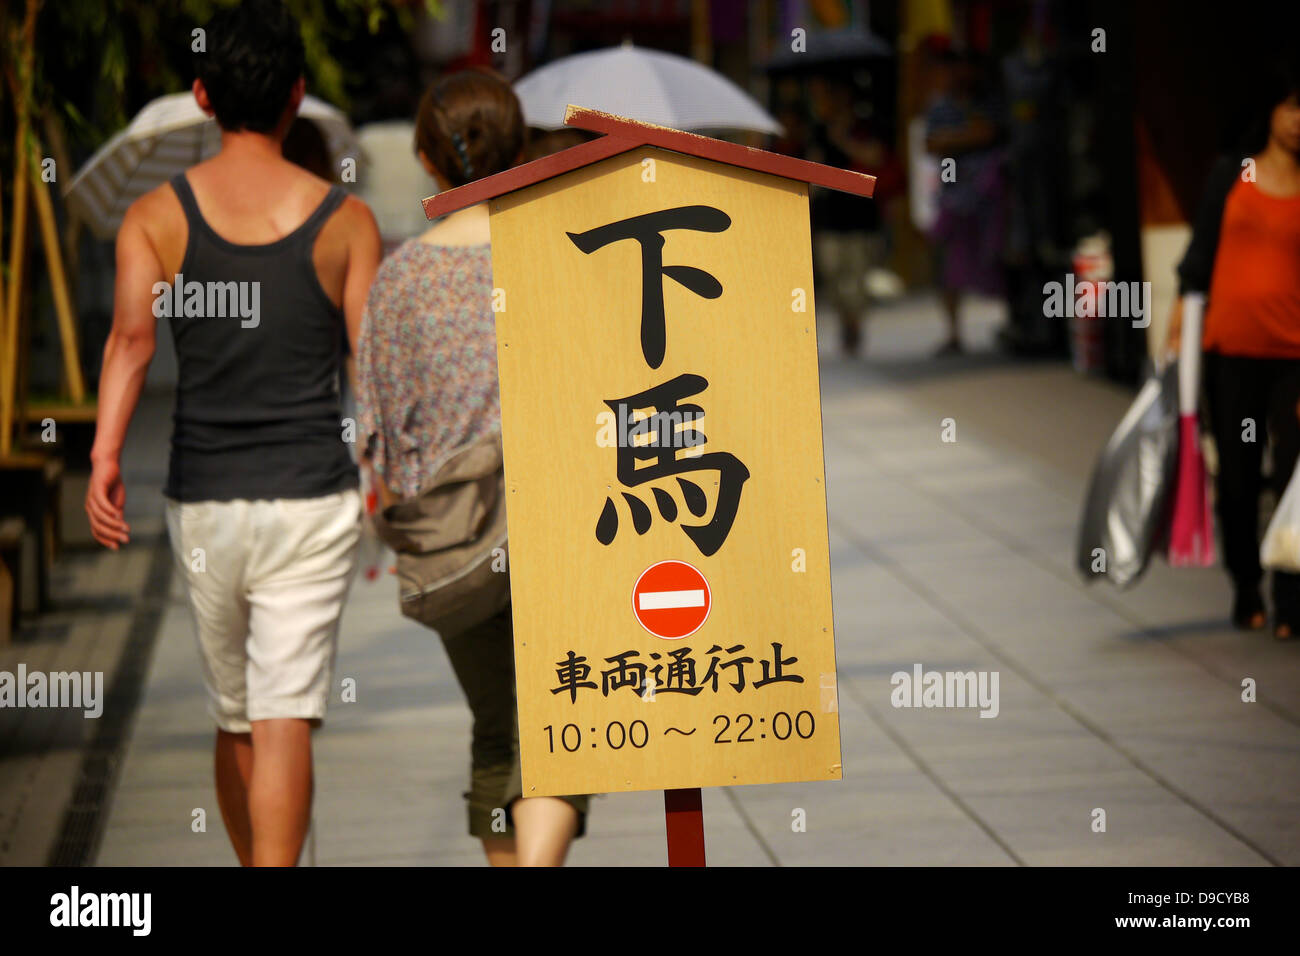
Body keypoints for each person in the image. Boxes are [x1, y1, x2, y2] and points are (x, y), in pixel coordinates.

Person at [85, 0, 382, 864]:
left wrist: (105, 458)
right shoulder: (346, 221)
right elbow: (370, 365)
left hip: (204, 502)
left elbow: (130, 344)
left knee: (235, 712)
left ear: (202, 97)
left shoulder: (155, 218)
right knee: (284, 711)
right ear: (296, 95)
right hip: (310, 500)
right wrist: (382, 469)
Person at [355, 69, 589, 866]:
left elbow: (379, 428)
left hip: (455, 539)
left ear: (428, 159)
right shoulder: (563, 252)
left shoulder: (400, 279)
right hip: (567, 522)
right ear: (520, 149)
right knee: (567, 724)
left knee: (496, 727)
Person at [1167, 59, 1300, 638]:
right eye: (1292, 105)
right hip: (1232, 352)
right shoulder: (1234, 172)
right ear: (1271, 110)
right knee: (1241, 478)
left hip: (1294, 357)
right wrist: (1180, 311)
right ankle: (1246, 583)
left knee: (1296, 475)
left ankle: (1291, 598)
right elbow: (1201, 253)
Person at [924, 51, 1008, 356]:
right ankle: (953, 332)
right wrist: (968, 137)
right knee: (946, 265)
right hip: (953, 195)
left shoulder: (988, 102)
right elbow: (931, 143)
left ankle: (1011, 322)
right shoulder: (940, 106)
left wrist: (954, 139)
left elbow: (990, 133)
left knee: (998, 257)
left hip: (989, 195)